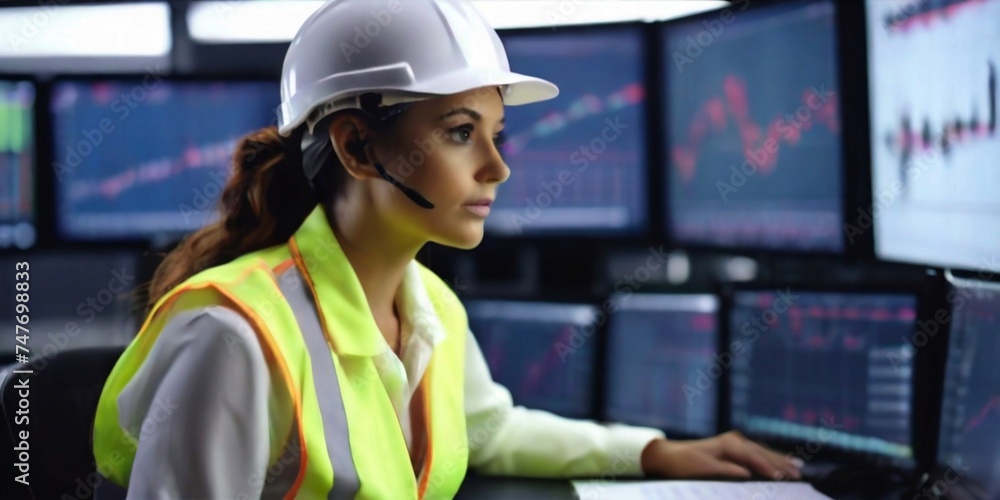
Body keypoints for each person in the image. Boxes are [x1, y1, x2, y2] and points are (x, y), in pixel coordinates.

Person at [92, 0, 802, 497]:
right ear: (358, 147)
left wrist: (653, 453)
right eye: (461, 131)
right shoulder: (233, 337)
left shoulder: (429, 304)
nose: (498, 167)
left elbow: (484, 431)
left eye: (497, 133)